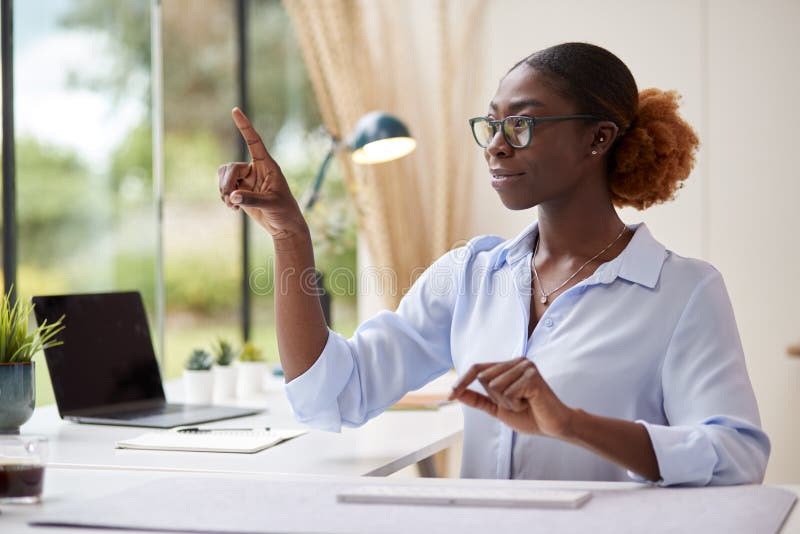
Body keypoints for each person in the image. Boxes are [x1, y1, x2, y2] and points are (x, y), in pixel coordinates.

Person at [218, 42, 769, 486]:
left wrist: (571, 424)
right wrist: (291, 235)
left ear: (597, 139)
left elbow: (737, 454)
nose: (496, 146)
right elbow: (332, 397)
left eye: (522, 126)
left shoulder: (682, 291)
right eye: (491, 125)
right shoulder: (470, 275)